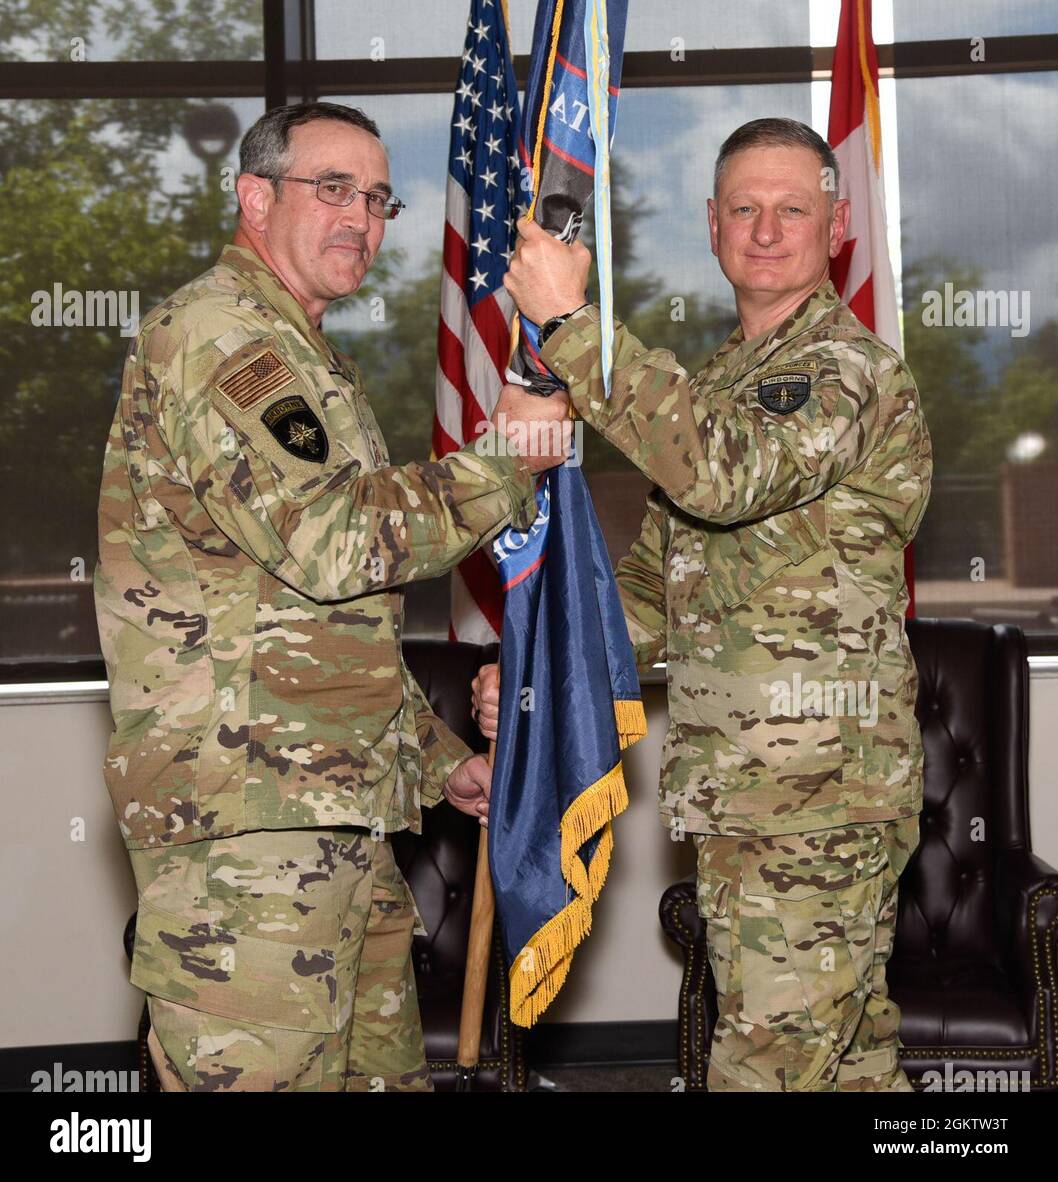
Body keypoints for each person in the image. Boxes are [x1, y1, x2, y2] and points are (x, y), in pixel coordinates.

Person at [95, 100, 569, 1092]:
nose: (362, 215)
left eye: (378, 198)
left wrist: (435, 759)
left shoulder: (303, 359)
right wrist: (503, 463)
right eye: (332, 188)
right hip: (248, 835)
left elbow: (319, 621)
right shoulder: (224, 340)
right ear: (254, 198)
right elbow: (335, 540)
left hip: (330, 818)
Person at [473, 117, 932, 1092]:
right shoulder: (720, 381)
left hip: (817, 796)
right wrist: (537, 677)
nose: (765, 231)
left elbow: (725, 474)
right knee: (843, 1070)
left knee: (764, 1074)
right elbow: (651, 592)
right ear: (712, 226)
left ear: (835, 226)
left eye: (792, 210)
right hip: (744, 797)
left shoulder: (849, 372)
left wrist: (571, 328)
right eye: (743, 209)